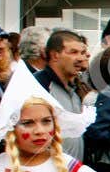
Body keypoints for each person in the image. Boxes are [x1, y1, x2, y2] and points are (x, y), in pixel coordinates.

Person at [36, 29, 90, 161]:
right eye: (73, 52)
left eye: (82, 53)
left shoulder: (76, 88)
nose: (81, 58)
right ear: (55, 55)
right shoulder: (39, 86)